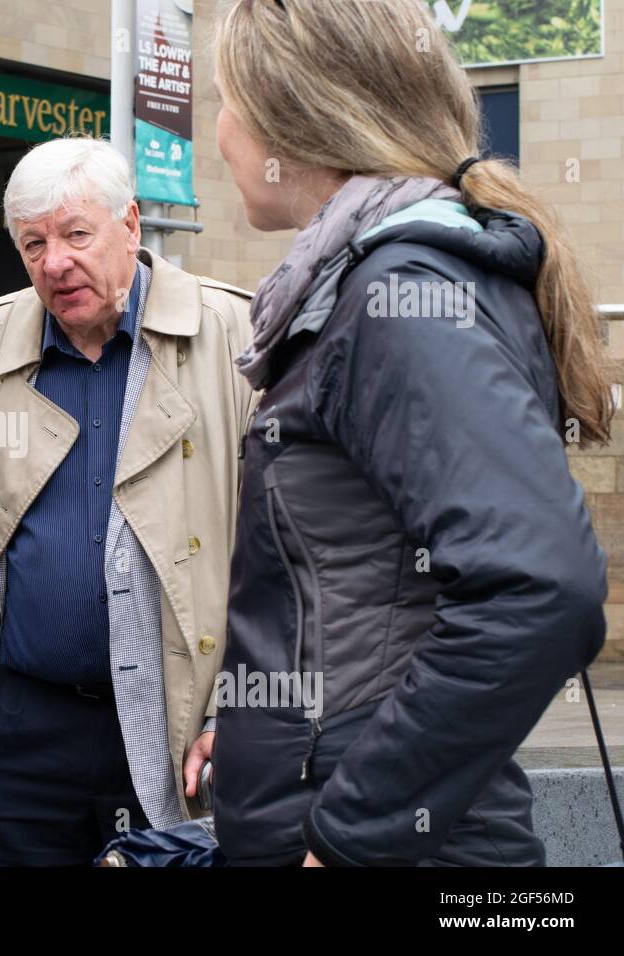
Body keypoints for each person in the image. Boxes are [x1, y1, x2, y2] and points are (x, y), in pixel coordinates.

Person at [211, 0, 609, 866]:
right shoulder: (371, 281)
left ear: (292, 115)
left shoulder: (398, 292)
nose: (219, 134)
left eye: (227, 102)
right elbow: (355, 590)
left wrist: (349, 839)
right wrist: (257, 722)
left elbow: (541, 588)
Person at [0, 135, 258, 866]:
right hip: (14, 732)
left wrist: (245, 709)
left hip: (181, 725)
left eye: (76, 234)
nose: (55, 262)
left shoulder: (232, 337)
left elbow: (289, 555)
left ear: (130, 224)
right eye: (33, 243)